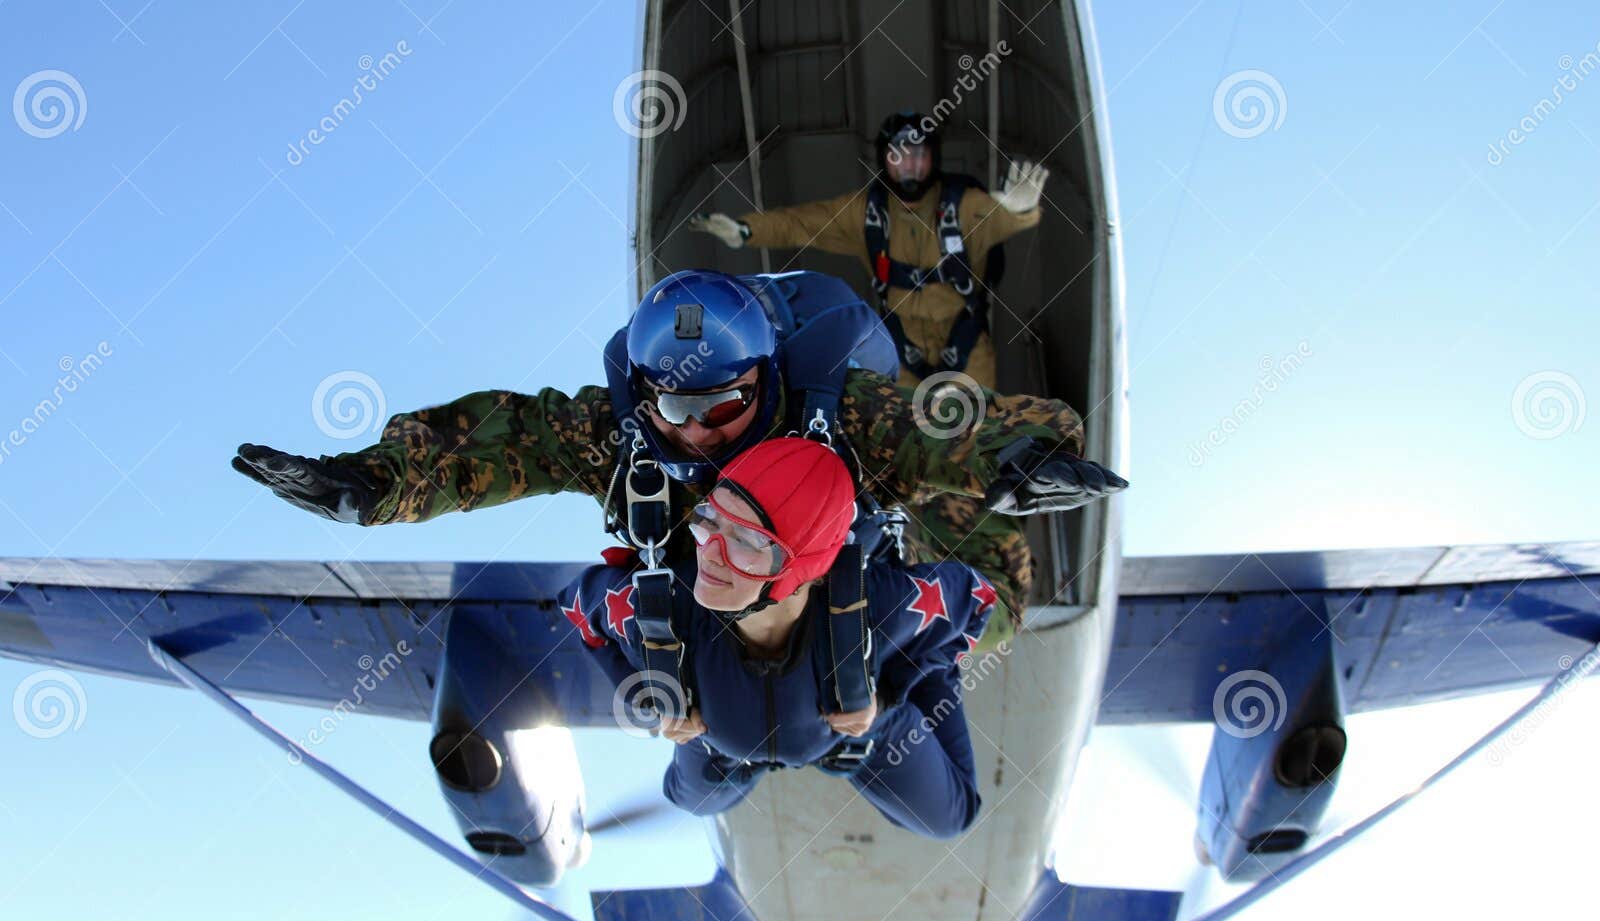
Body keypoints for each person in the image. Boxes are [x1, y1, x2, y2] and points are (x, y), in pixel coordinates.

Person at [233, 269, 1123, 646]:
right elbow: (499, 438)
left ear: (765, 382)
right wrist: (373, 486)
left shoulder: (838, 409)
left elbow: (945, 421)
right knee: (651, 600)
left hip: (880, 557)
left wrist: (1026, 452)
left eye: (725, 406)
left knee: (982, 589)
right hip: (733, 596)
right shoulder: (623, 436)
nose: (698, 431)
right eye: (677, 408)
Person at [560, 436, 992, 839]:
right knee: (691, 798)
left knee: (950, 818)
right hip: (722, 742)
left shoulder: (880, 606)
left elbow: (978, 601)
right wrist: (649, 697)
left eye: (747, 539)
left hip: (855, 730)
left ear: (802, 570)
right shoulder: (653, 612)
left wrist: (890, 698)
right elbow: (577, 609)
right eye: (709, 520)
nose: (710, 552)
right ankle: (745, 753)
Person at [688, 110, 1046, 392]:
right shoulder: (868, 214)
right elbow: (803, 223)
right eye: (899, 155)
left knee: (976, 440)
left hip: (966, 342)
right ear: (884, 160)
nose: (909, 164)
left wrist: (1017, 210)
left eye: (919, 154)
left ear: (932, 158)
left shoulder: (962, 205)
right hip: (901, 348)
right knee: (903, 447)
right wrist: (746, 231)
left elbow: (998, 218)